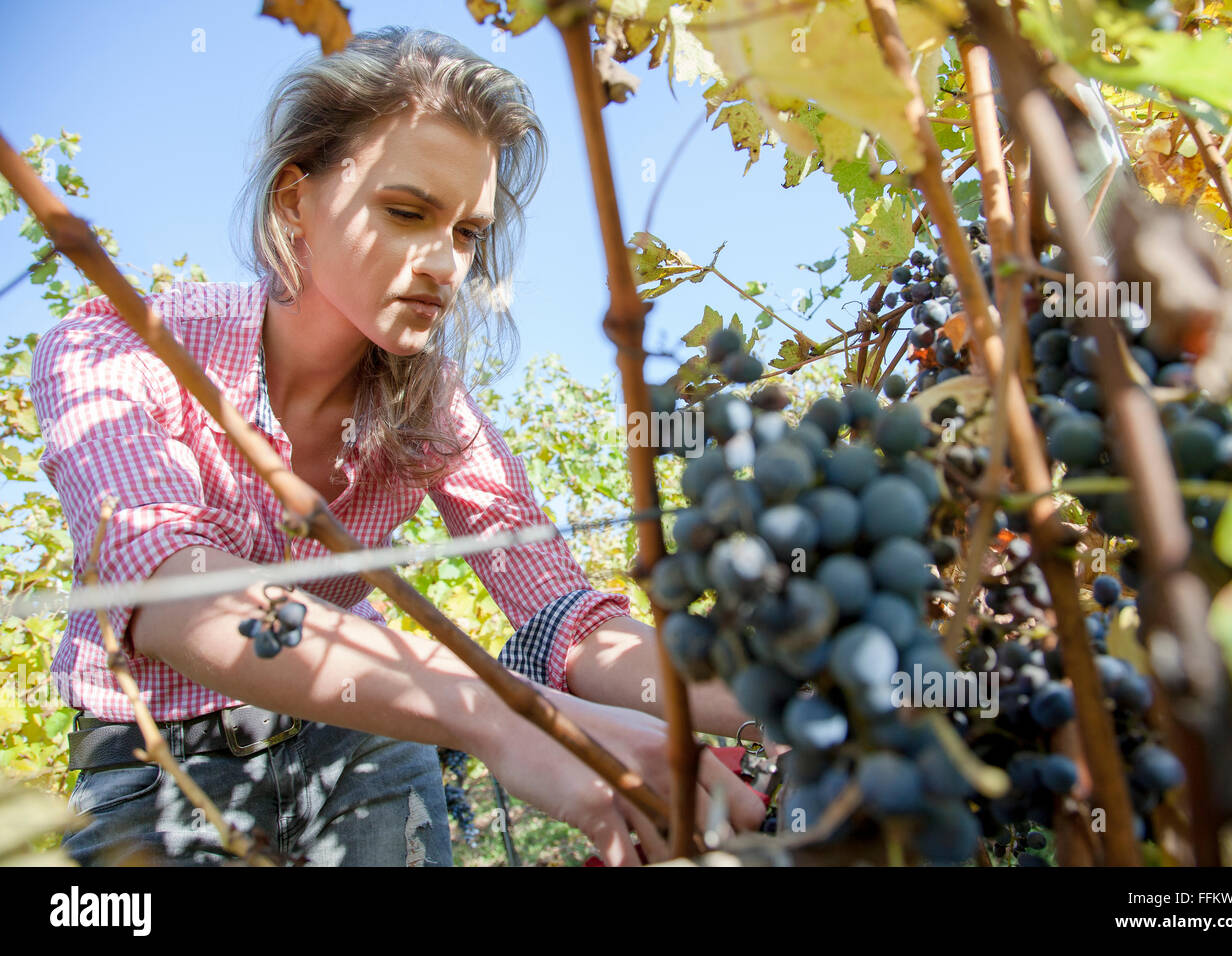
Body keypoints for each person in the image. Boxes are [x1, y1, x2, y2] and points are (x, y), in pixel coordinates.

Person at [31, 25, 766, 867]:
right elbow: (177, 597)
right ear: (293, 201)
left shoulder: (432, 409)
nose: (445, 265)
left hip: (361, 732)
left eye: (465, 234)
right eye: (407, 213)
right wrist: (496, 713)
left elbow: (561, 614)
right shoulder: (117, 347)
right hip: (153, 764)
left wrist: (787, 697)